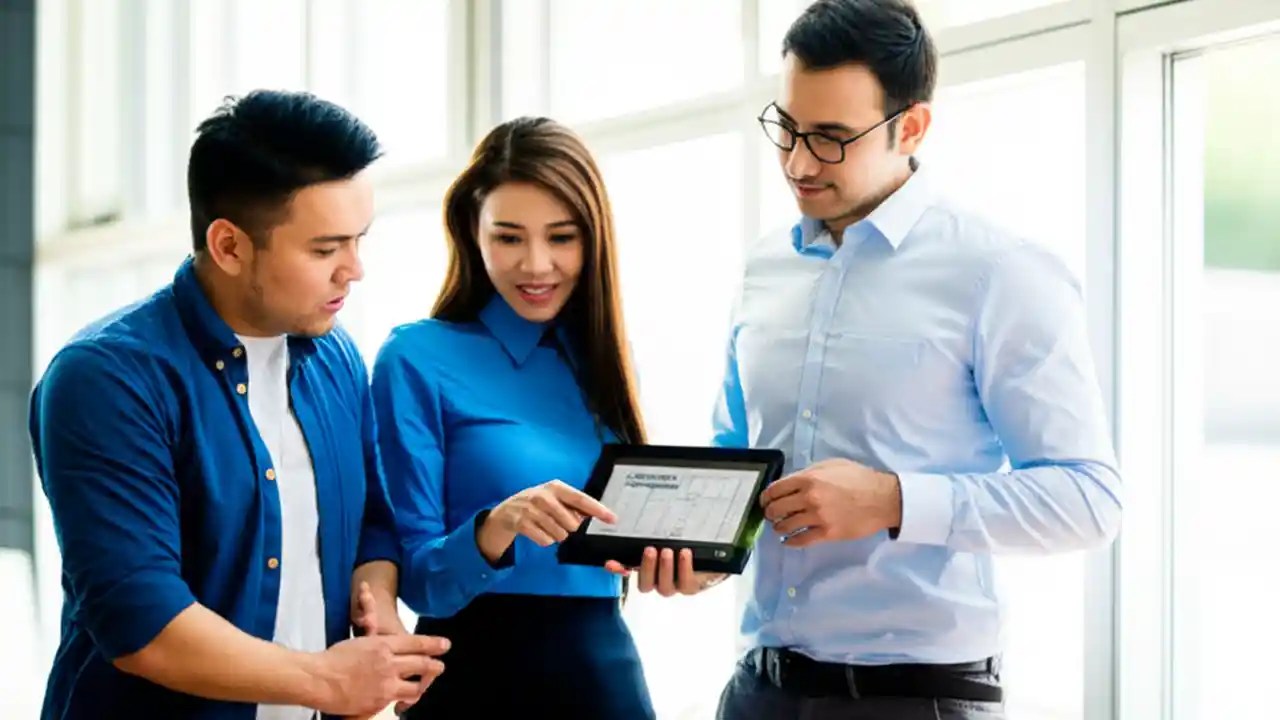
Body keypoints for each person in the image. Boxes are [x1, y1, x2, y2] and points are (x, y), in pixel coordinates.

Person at [618, 2, 1124, 719]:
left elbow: (1089, 500)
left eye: (829, 138)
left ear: (910, 127)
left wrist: (892, 501)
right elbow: (736, 456)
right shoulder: (764, 268)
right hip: (758, 691)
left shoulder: (999, 272)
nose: (797, 162)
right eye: (786, 129)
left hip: (918, 699)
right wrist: (700, 554)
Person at [29, 89, 449, 720]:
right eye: (325, 248)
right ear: (228, 246)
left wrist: (378, 610)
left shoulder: (336, 358)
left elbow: (372, 526)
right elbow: (141, 622)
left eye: (359, 240)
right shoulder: (105, 379)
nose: (354, 270)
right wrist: (328, 682)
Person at [370, 116, 656, 719]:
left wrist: (682, 567)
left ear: (593, 239)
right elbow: (419, 579)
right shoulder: (417, 357)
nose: (536, 264)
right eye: (508, 237)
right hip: (477, 675)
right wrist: (496, 526)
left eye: (561, 237)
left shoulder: (599, 365)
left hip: (604, 675)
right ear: (471, 231)